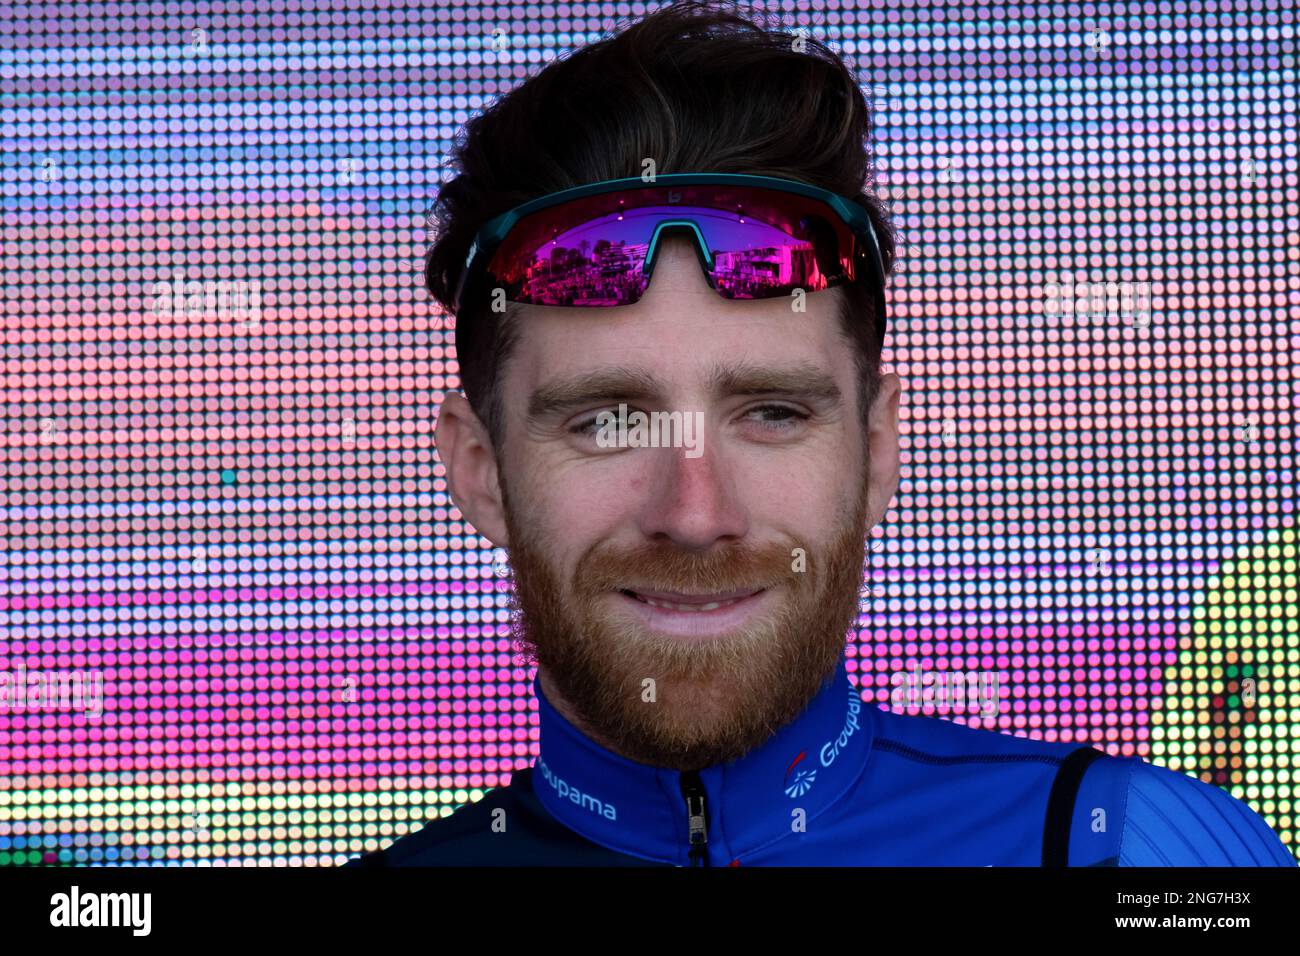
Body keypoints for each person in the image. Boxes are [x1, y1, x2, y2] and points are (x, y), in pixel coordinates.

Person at [346, 0, 1295, 867]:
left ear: (878, 450)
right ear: (480, 473)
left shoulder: (1142, 858)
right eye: (608, 421)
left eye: (771, 413)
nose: (695, 511)